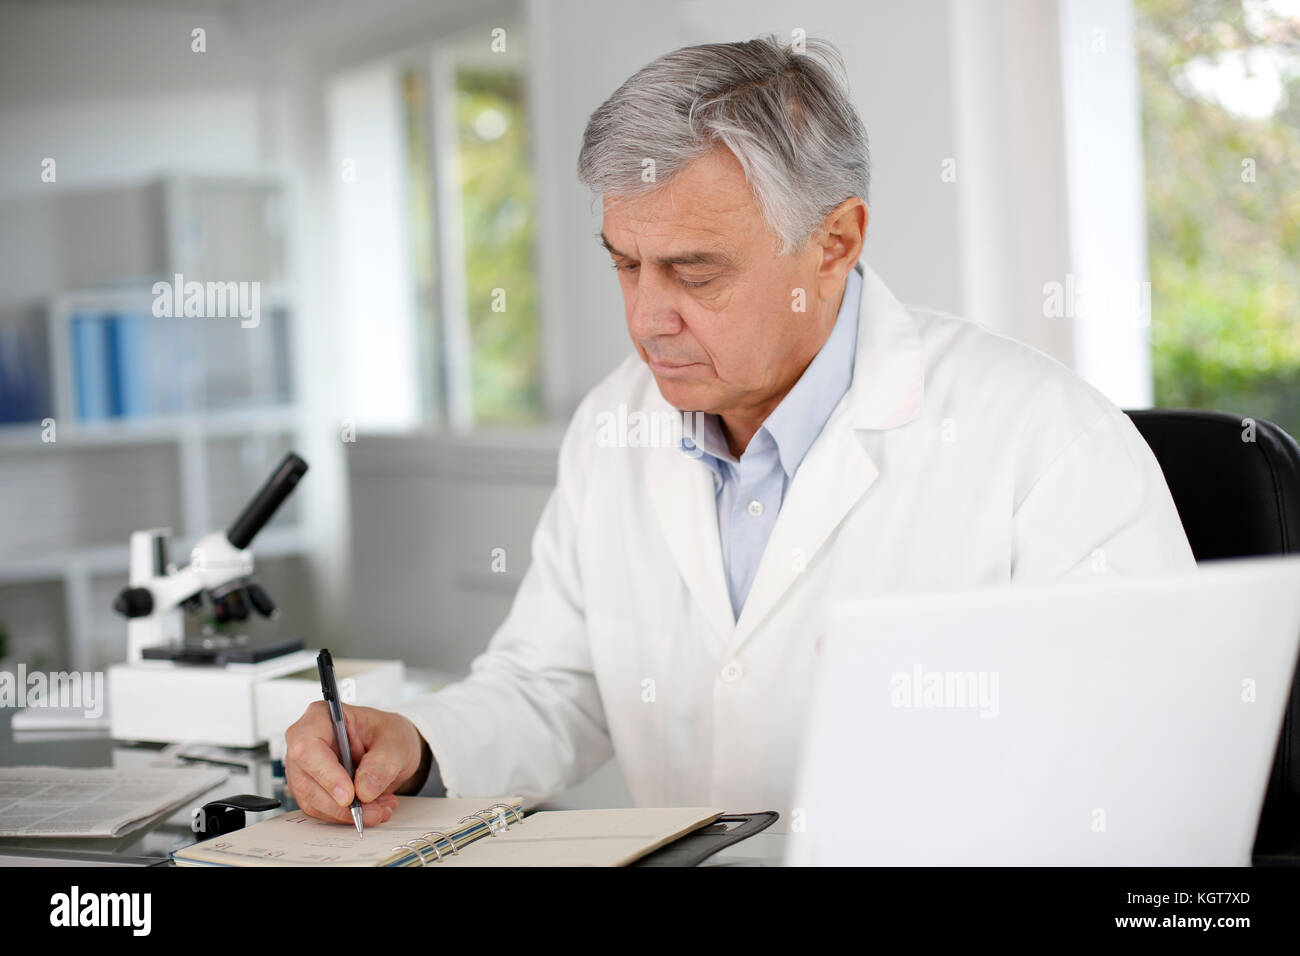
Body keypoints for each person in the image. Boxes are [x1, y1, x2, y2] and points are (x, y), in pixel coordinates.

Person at [285, 35, 1195, 829]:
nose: (647, 319)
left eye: (695, 273)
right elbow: (555, 685)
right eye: (626, 266)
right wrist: (417, 739)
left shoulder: (1042, 437)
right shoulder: (614, 425)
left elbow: (1152, 764)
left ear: (836, 243)